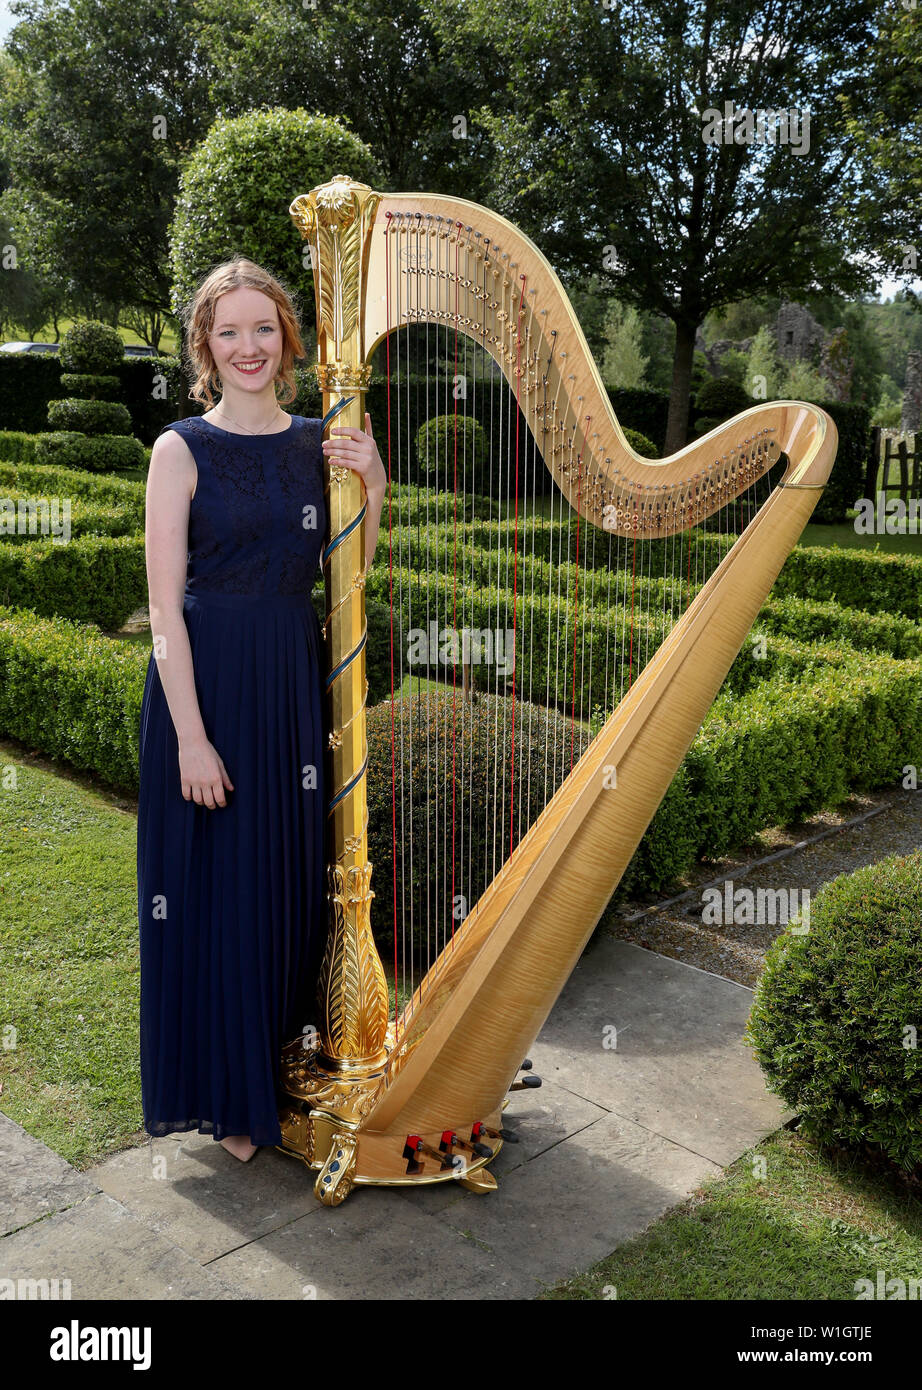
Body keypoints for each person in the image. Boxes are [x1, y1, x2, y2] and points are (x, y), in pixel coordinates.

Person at [137, 255, 386, 1162]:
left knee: (287, 883)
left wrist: (374, 485)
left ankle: (280, 1067)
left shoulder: (322, 440)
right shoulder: (180, 449)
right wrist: (191, 741)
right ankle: (226, 1096)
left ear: (290, 340)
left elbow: (346, 577)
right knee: (215, 895)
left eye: (264, 328)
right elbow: (164, 608)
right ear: (206, 342)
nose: (248, 346)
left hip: (290, 680)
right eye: (229, 330)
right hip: (206, 691)